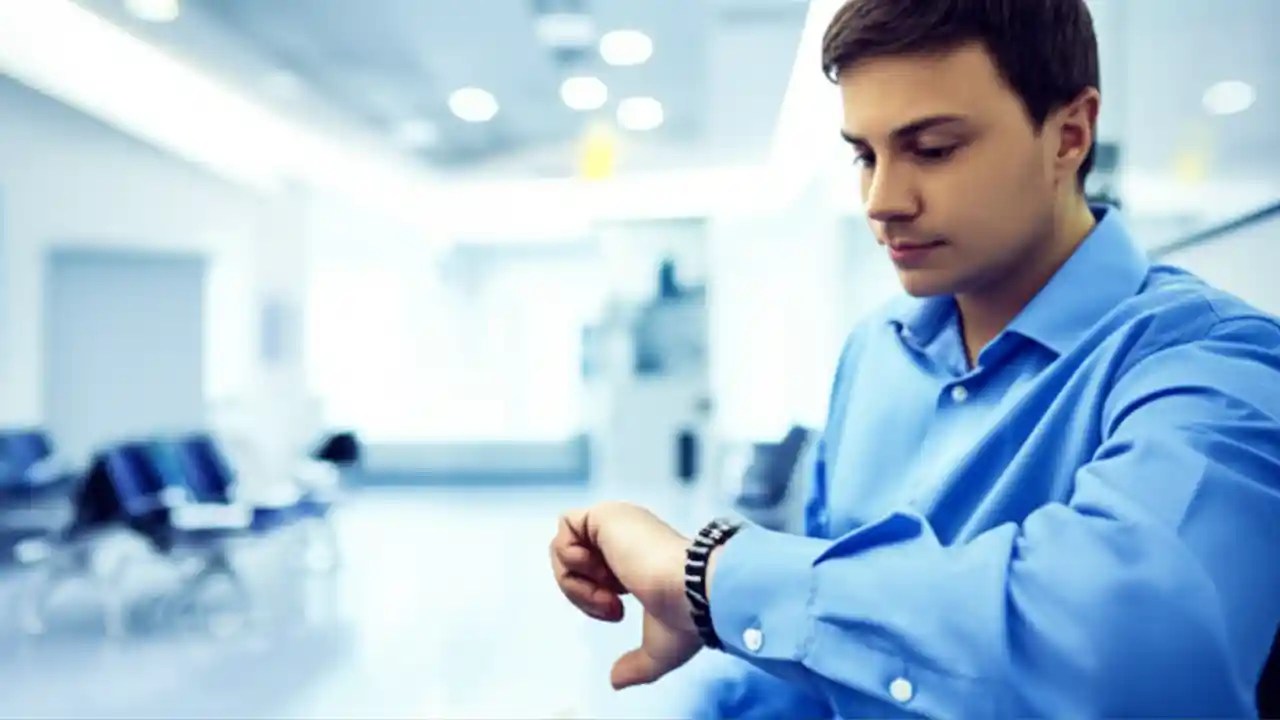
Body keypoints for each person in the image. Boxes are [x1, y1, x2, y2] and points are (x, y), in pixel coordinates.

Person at [548, 0, 1280, 716]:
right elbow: (829, 642)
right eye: (865, 155)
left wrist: (708, 576)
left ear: (1069, 135)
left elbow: (1125, 655)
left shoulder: (1213, 363)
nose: (882, 199)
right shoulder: (873, 356)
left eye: (932, 150)